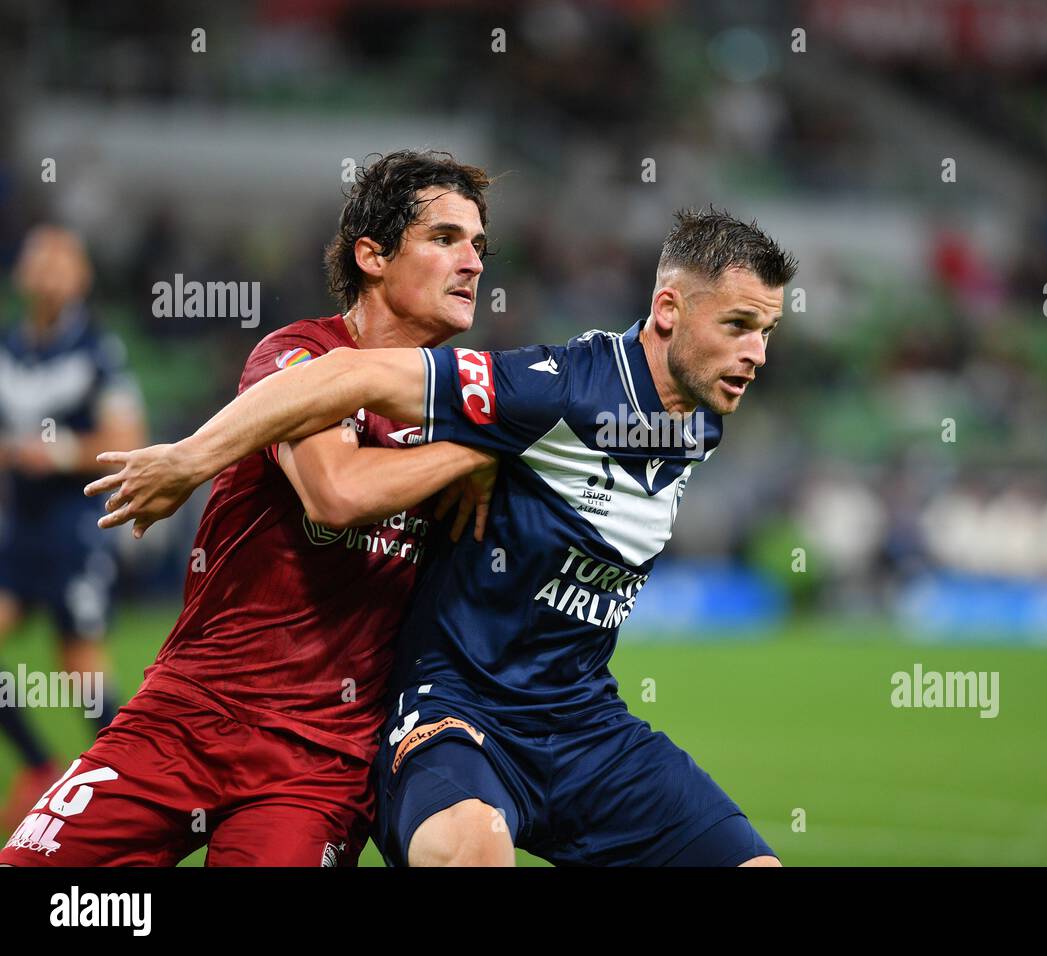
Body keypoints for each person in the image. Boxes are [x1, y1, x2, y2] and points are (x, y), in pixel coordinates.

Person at [81, 209, 794, 866]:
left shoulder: (701, 419)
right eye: (737, 325)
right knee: (475, 850)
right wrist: (191, 458)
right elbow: (347, 375)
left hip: (585, 727)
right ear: (667, 309)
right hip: (459, 717)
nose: (757, 353)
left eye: (766, 331)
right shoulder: (556, 388)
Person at [0, 151, 498, 865]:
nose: (474, 262)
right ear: (372, 256)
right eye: (446, 238)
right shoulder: (296, 358)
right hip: (186, 715)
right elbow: (338, 492)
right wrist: (476, 455)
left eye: (479, 245)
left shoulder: (467, 400)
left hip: (317, 759)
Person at [0, 226, 146, 832]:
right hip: (19, 531)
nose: (49, 272)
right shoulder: (10, 350)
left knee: (81, 673)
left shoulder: (98, 351)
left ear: (81, 277)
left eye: (62, 262)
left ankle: (132, 792)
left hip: (76, 529)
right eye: (40, 260)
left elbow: (128, 442)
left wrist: (55, 454)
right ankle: (39, 766)